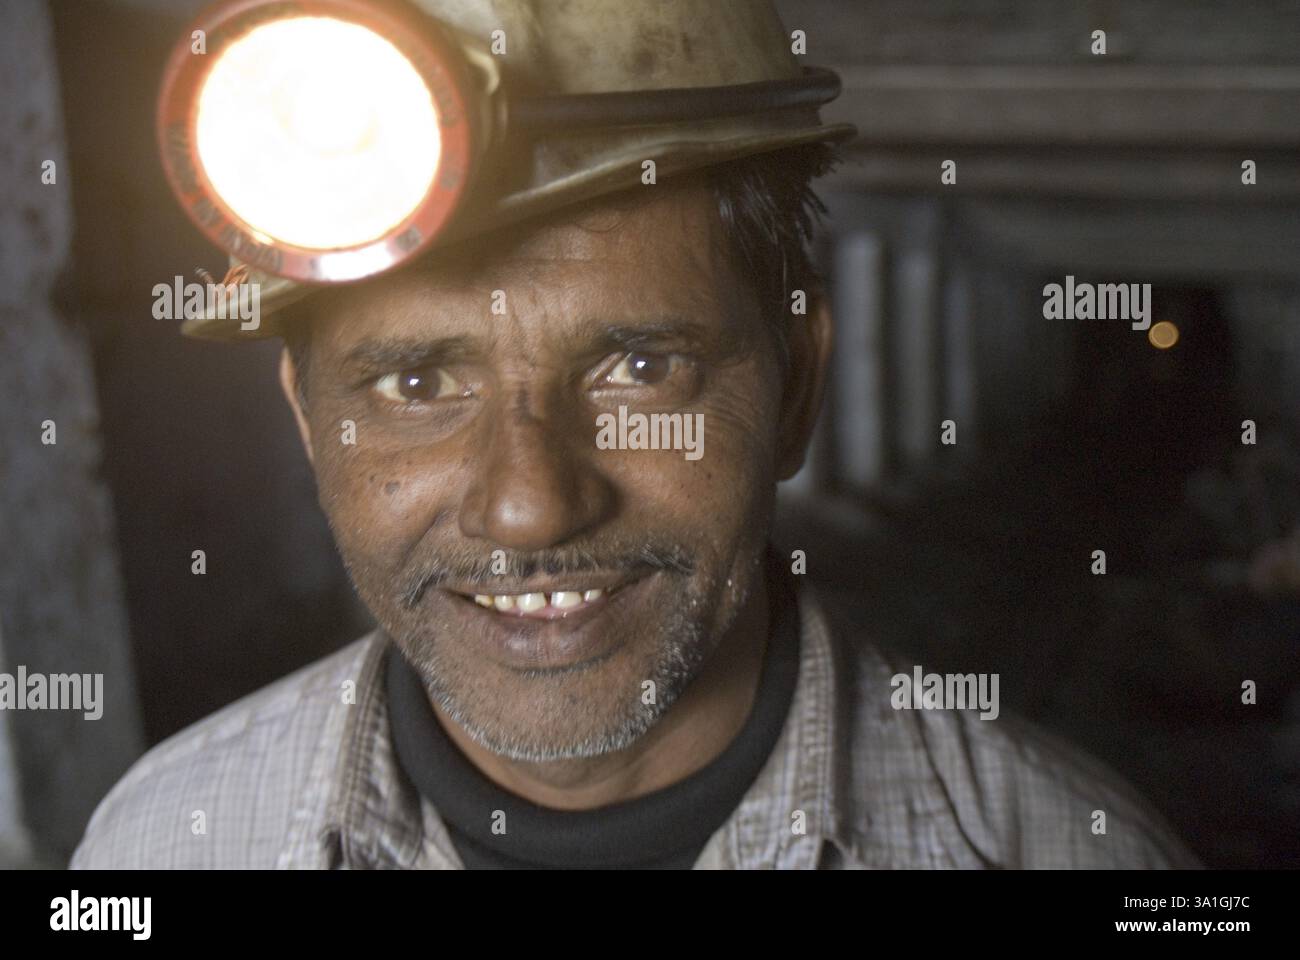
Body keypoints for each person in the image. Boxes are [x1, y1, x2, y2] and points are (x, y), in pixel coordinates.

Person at [72, 0, 1198, 869]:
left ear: (797, 385)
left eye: (642, 367)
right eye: (417, 381)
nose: (529, 503)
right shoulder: (166, 843)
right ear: (310, 423)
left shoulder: (1052, 851)